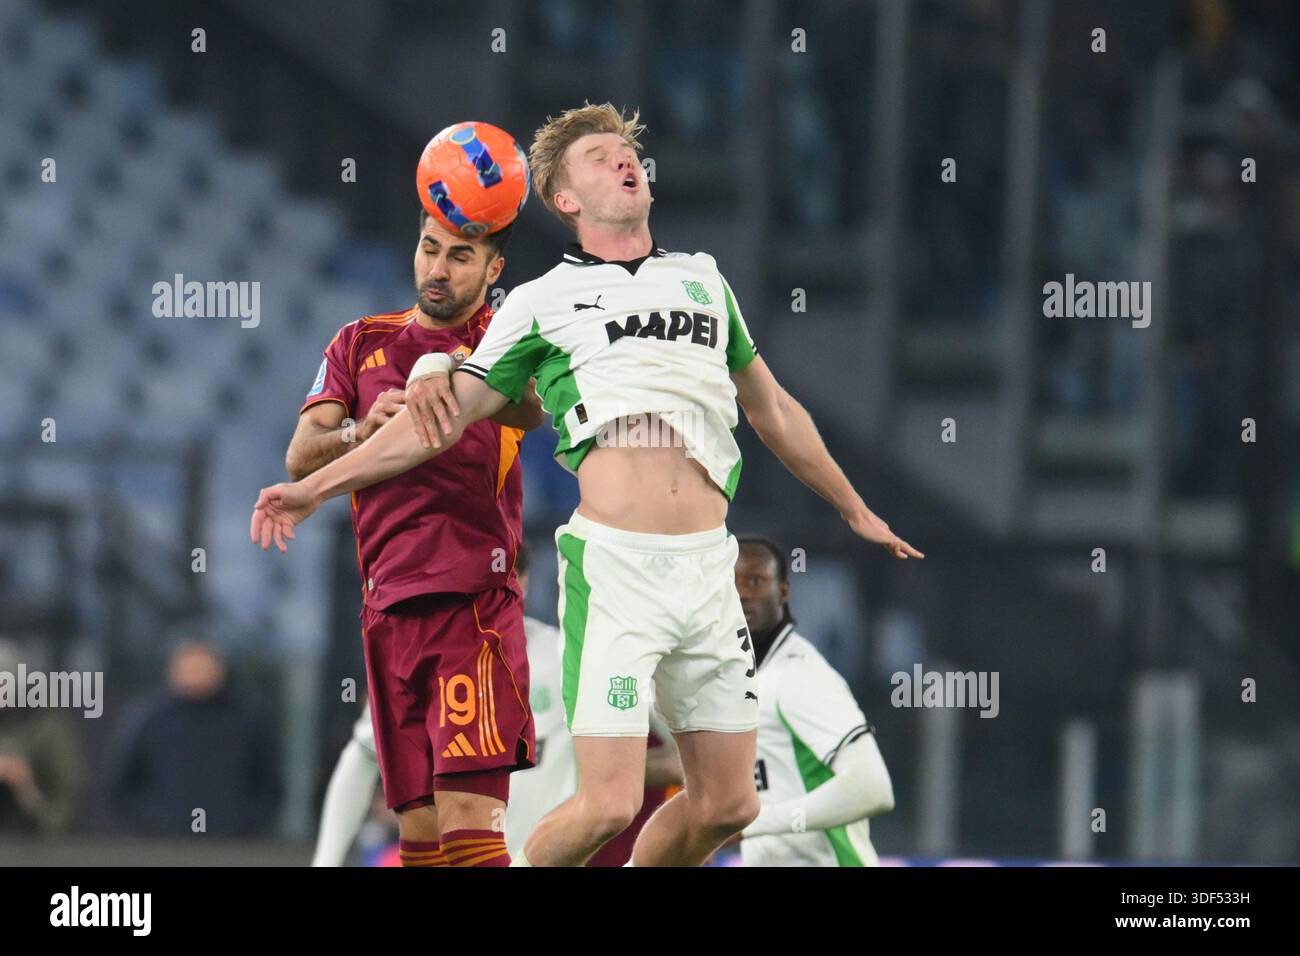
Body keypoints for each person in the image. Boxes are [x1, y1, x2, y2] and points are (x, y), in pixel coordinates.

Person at [252, 102, 922, 867]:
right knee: (606, 803)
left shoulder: (703, 281)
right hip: (616, 570)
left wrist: (853, 504)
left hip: (708, 567)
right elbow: (434, 424)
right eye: (600, 157)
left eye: (625, 153)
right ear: (564, 200)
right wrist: (314, 488)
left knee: (729, 805)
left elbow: (773, 409)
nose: (622, 161)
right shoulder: (539, 303)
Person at [287, 208, 544, 867]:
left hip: (472, 604)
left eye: (460, 256)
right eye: (430, 247)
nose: (437, 267)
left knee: (469, 824)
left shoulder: (504, 340)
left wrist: (449, 365)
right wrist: (361, 430)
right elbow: (301, 455)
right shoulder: (356, 342)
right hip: (387, 608)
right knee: (420, 837)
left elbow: (530, 410)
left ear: (494, 270)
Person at [503, 542, 683, 865]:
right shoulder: (442, 666)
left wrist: (605, 772)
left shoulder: (567, 657)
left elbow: (682, 754)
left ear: (523, 581)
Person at [733, 536, 894, 866]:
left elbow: (872, 787)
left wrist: (752, 825)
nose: (742, 594)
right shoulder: (739, 678)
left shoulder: (801, 675)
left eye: (755, 580)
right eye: (729, 583)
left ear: (783, 592)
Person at [109, 640, 280, 835]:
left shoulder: (249, 720)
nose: (197, 673)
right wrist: (151, 822)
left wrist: (245, 824)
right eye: (190, 667)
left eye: (203, 667)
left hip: (231, 846)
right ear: (173, 671)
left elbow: (269, 786)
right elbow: (122, 787)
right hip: (162, 845)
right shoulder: (148, 718)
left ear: (220, 670)